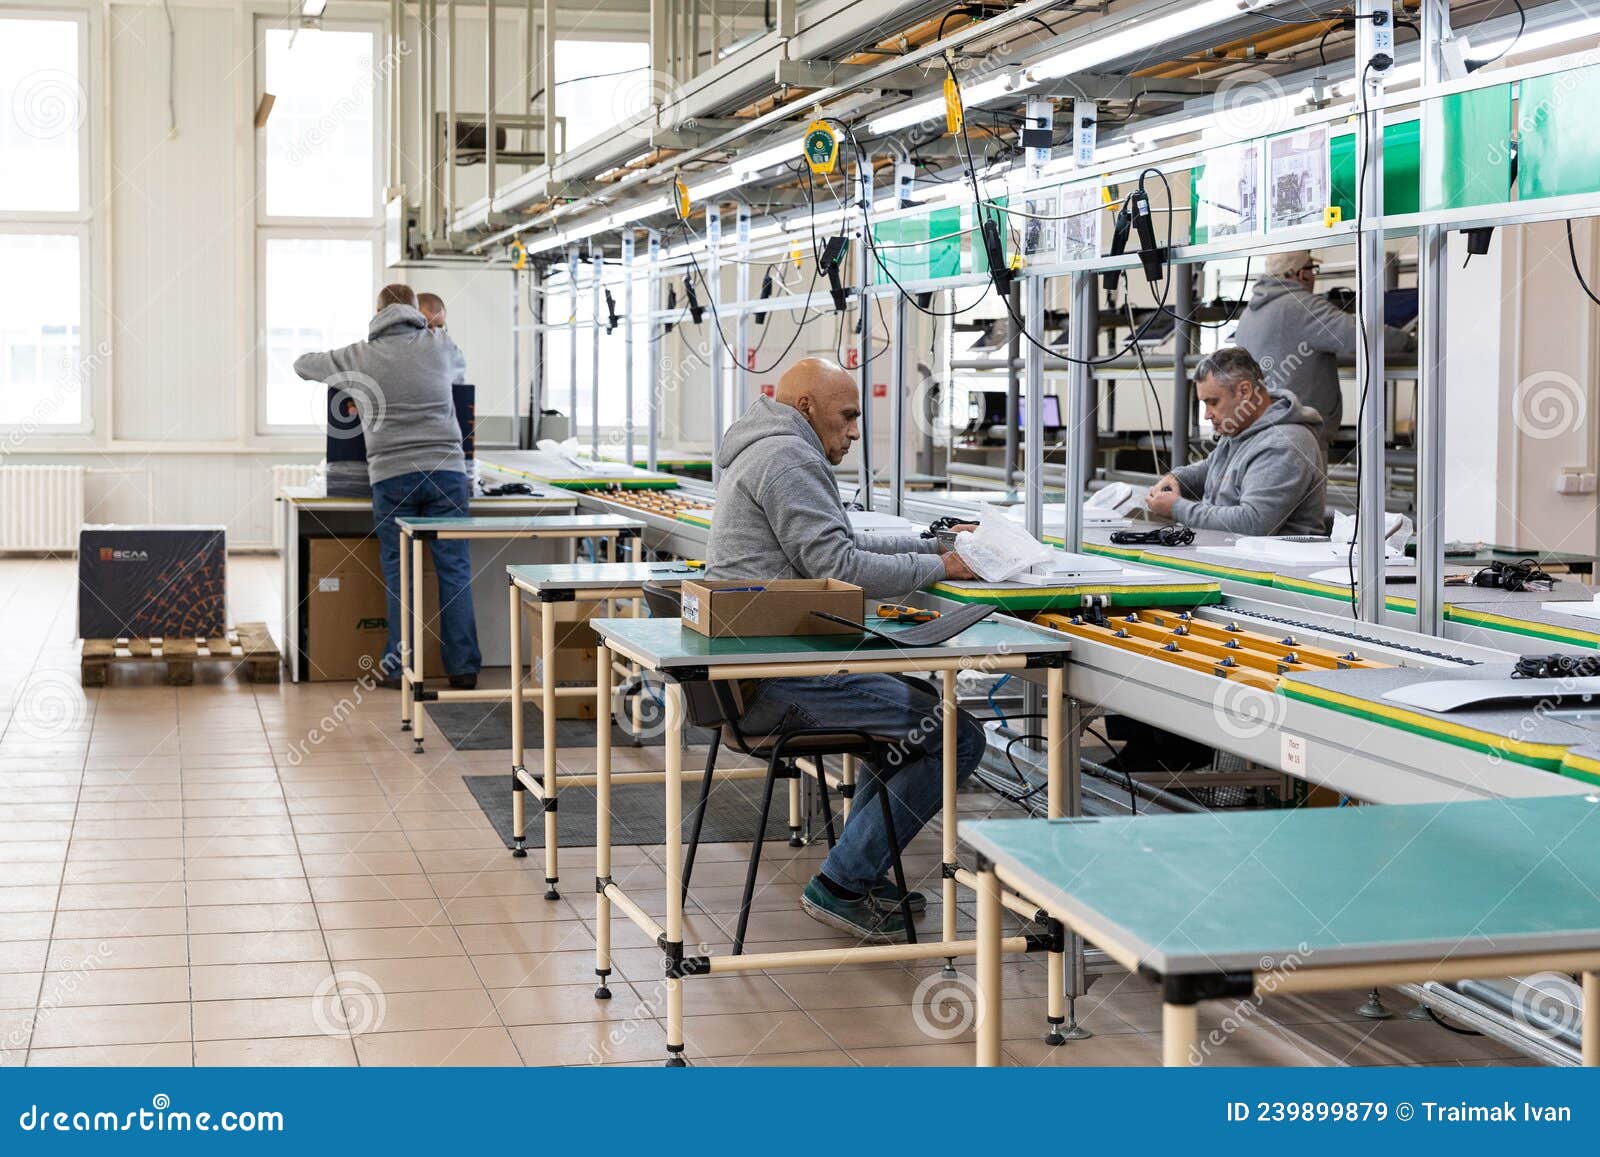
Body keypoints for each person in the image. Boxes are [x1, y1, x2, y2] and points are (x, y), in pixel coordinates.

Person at [707, 357, 984, 943]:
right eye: (848, 416)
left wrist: (937, 543)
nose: (855, 431)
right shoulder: (788, 457)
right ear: (807, 407)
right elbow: (836, 565)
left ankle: (861, 869)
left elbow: (841, 539)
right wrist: (941, 566)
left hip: (753, 672)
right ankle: (842, 884)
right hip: (778, 681)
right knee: (955, 734)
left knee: (912, 704)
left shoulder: (768, 446)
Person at [294, 284, 480, 690]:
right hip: (446, 473)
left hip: (392, 477)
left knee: (401, 575)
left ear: (377, 312)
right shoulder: (439, 343)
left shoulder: (359, 356)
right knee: (455, 569)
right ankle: (463, 669)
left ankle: (399, 668)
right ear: (416, 311)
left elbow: (302, 365)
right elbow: (460, 375)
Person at [1231, 249, 1416, 450]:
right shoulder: (1301, 305)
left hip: (1259, 429)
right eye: (1313, 269)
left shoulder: (1250, 313)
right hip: (1297, 437)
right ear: (1302, 273)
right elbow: (1357, 335)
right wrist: (1410, 342)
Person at [1144, 346, 1326, 536]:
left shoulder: (1285, 443)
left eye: (1213, 402)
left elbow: (1253, 522)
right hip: (1231, 554)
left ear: (1244, 391)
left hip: (1272, 562)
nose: (1207, 415)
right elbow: (1212, 468)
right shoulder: (1239, 428)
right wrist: (1177, 479)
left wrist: (1177, 508)